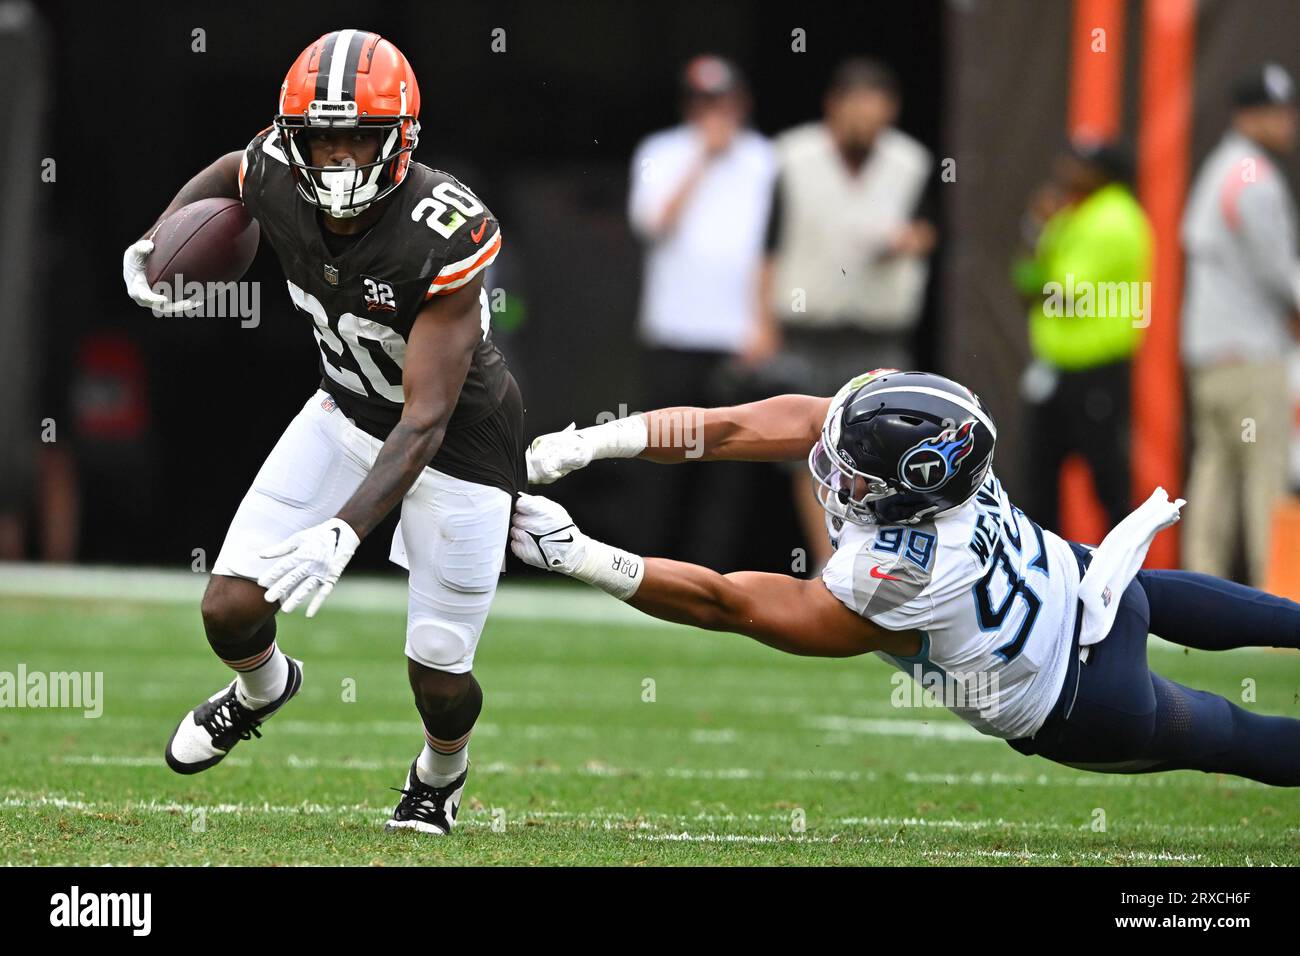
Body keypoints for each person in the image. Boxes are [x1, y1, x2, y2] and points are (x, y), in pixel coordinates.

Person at [518, 369, 1300, 786]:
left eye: (856, 475)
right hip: (1090, 583)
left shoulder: (897, 572)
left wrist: (585, 556)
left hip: (1081, 698)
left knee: (1234, 736)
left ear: (912, 490)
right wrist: (600, 441)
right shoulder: (944, 435)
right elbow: (734, 429)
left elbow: (728, 604)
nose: (833, 475)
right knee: (1169, 609)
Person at [121, 31, 525, 834]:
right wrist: (159, 236)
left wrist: (343, 531)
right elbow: (233, 171)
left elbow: (425, 419)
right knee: (229, 608)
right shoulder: (275, 167)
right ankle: (263, 688)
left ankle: (440, 772)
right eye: (321, 138)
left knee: (439, 674)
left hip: (461, 444)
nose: (337, 156)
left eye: (359, 138)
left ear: (400, 138)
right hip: (345, 408)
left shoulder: (443, 230)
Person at [756, 58, 935, 570]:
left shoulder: (911, 162)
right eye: (858, 112)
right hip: (809, 327)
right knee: (807, 451)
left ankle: (875, 558)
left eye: (877, 115)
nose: (867, 126)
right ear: (834, 106)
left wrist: (911, 239)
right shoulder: (792, 156)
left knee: (888, 447)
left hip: (879, 331)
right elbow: (768, 245)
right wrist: (761, 323)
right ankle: (826, 561)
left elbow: (930, 227)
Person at [626, 54, 776, 568]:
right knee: (663, 451)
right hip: (674, 330)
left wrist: (765, 323)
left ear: (741, 103)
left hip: (737, 335)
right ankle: (647, 566)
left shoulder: (764, 159)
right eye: (702, 101)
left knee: (729, 464)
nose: (713, 112)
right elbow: (653, 224)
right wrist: (702, 160)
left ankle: (715, 571)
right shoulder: (661, 151)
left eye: (722, 101)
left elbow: (770, 249)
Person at [1182, 63, 1300, 586]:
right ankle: (1274, 596)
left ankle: (1198, 593)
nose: (1287, 122)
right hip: (1251, 354)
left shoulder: (1218, 168)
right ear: (1247, 117)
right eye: (1276, 112)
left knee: (1214, 476)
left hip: (1210, 355)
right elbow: (1279, 272)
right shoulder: (1256, 177)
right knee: (1264, 479)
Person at [1012, 139, 1152, 534]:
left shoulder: (1114, 218)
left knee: (1108, 481)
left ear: (1104, 173)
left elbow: (1063, 296)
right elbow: (1026, 284)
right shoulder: (1071, 216)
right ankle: (1040, 564)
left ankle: (1124, 565)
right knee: (1039, 479)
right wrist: (1035, 229)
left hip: (1096, 370)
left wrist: (1036, 280)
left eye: (1080, 165)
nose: (1067, 171)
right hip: (1055, 368)